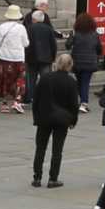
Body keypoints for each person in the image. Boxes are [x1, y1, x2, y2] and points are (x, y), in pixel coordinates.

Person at [28, 50, 75, 188]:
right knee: (57, 150)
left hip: (44, 117)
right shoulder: (71, 81)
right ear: (70, 65)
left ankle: (37, 177)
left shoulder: (45, 78)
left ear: (57, 63)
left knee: (40, 148)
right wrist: (73, 120)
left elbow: (36, 100)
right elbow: (73, 104)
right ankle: (53, 178)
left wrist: (36, 117)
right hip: (62, 119)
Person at [0, 2, 27, 113]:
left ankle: (4, 103)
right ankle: (17, 101)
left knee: (4, 79)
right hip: (17, 57)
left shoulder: (1, 27)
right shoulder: (21, 28)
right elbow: (26, 43)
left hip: (3, 57)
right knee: (19, 79)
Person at [22, 0, 55, 104]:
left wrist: (25, 57)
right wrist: (52, 57)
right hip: (46, 58)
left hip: (31, 58)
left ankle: (29, 97)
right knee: (45, 79)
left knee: (30, 79)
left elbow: (26, 44)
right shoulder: (48, 29)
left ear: (34, 19)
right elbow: (53, 44)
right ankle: (45, 98)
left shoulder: (29, 29)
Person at [68, 12, 100, 112]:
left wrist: (71, 36)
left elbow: (67, 45)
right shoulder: (94, 34)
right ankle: (83, 102)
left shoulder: (75, 34)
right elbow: (99, 48)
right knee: (85, 82)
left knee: (80, 81)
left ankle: (80, 101)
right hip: (90, 62)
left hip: (77, 62)